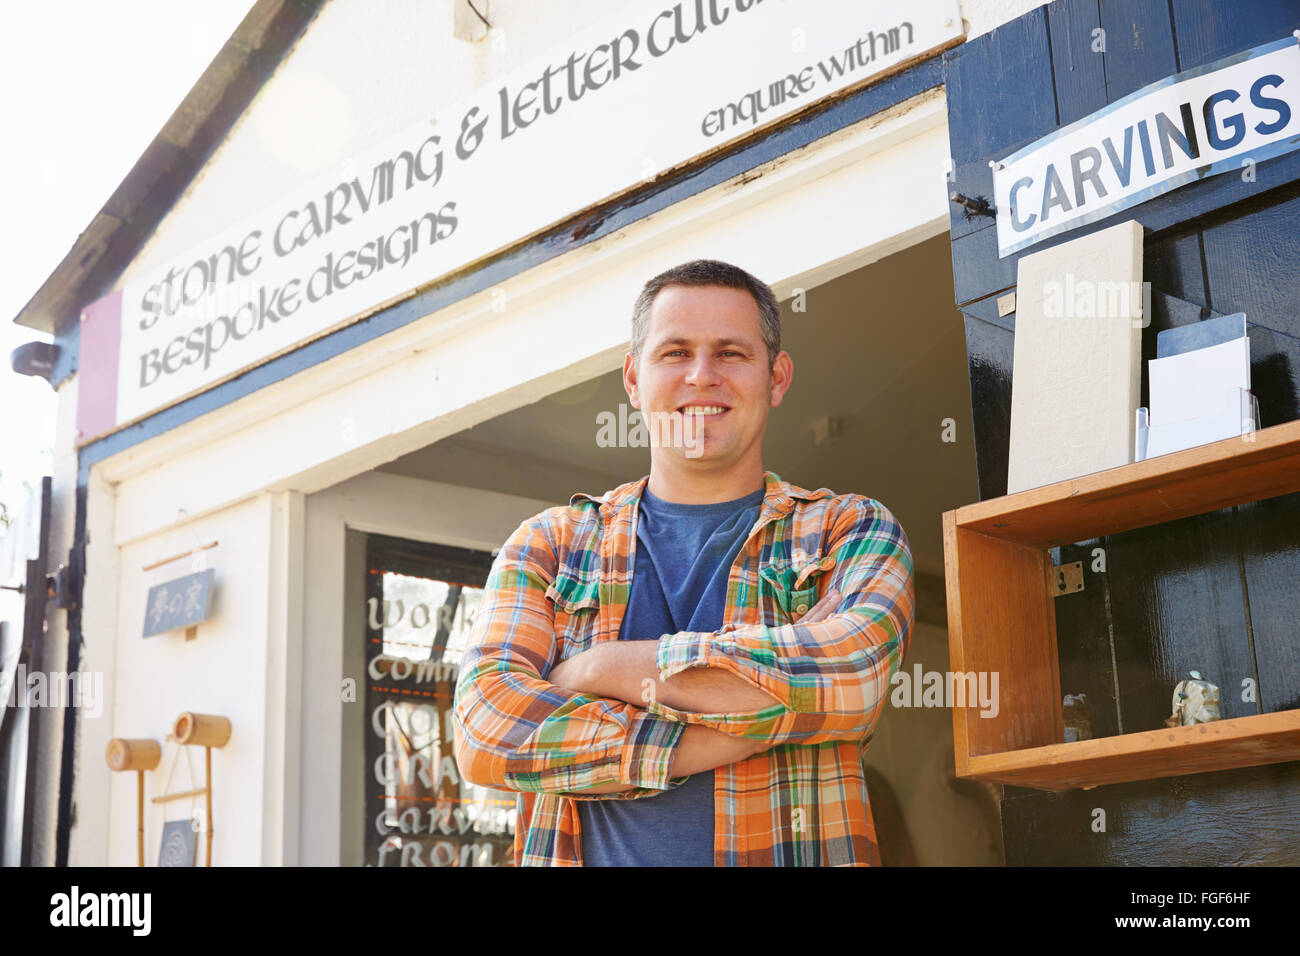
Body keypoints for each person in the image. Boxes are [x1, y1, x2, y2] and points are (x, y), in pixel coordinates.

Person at [452, 259, 915, 866]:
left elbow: (852, 680)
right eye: (675, 352)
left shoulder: (846, 531)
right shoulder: (549, 546)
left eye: (731, 353)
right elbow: (487, 734)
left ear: (777, 378)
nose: (702, 375)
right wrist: (743, 718)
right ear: (633, 380)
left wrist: (593, 668)